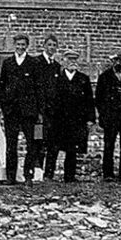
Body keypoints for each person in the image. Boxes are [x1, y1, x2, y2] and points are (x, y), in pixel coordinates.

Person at [0, 34, 43, 185]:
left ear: (27, 46)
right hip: (12, 112)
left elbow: (39, 89)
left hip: (29, 112)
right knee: (11, 145)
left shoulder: (34, 63)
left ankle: (28, 175)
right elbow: (0, 86)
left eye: (23, 45)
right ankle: (10, 176)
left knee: (32, 143)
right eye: (18, 44)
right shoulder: (8, 63)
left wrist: (38, 111)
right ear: (14, 45)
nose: (21, 47)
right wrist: (6, 105)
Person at [46, 49, 96, 183]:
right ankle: (48, 175)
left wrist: (90, 119)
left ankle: (69, 176)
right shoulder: (56, 78)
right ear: (64, 61)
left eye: (74, 60)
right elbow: (50, 100)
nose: (72, 62)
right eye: (69, 60)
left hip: (76, 120)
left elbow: (89, 101)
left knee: (72, 149)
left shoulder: (83, 79)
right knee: (53, 148)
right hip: (59, 120)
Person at [94, 51, 121, 182]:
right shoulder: (105, 76)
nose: (118, 63)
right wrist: (103, 115)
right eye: (115, 60)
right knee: (108, 144)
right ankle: (108, 173)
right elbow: (99, 98)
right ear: (112, 62)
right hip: (110, 117)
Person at [32, 36, 61, 179]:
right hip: (40, 113)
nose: (52, 47)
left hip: (53, 113)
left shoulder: (56, 66)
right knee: (38, 141)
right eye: (49, 44)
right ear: (44, 46)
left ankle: (49, 174)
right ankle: (37, 172)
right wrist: (38, 111)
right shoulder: (36, 63)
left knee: (53, 143)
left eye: (54, 45)